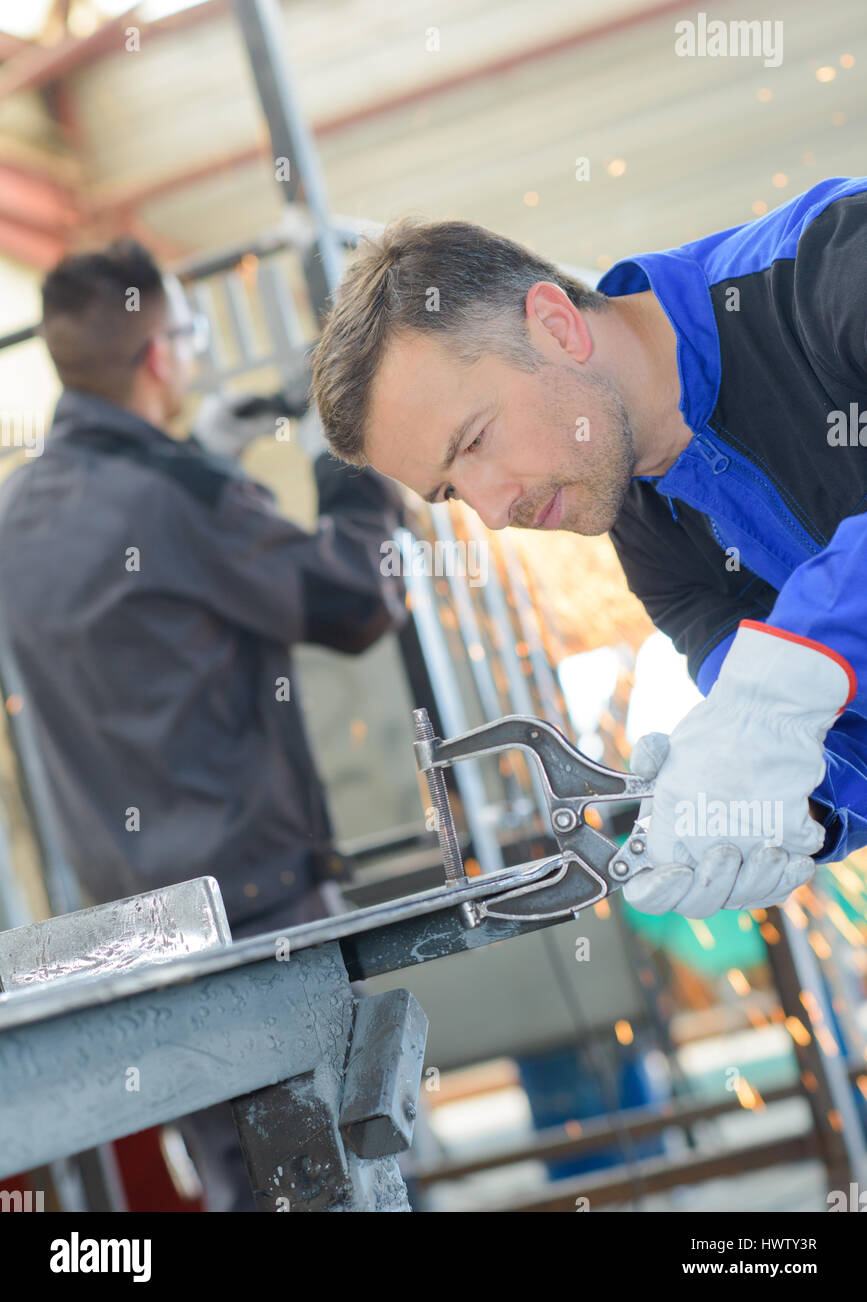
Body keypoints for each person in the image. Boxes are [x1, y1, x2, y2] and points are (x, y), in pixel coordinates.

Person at [310, 177, 867, 924]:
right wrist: (789, 807)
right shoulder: (649, 536)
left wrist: (778, 688)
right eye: (449, 493)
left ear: (555, 325)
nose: (493, 509)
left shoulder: (829, 262)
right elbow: (832, 739)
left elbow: (781, 694)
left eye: (475, 441)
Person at [0, 238, 407, 1209]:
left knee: (240, 1177)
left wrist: (202, 458)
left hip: (132, 926)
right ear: (160, 358)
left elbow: (149, 596)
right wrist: (343, 454)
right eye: (188, 329)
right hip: (256, 903)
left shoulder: (19, 511)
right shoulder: (183, 496)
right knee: (341, 1168)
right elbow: (353, 599)